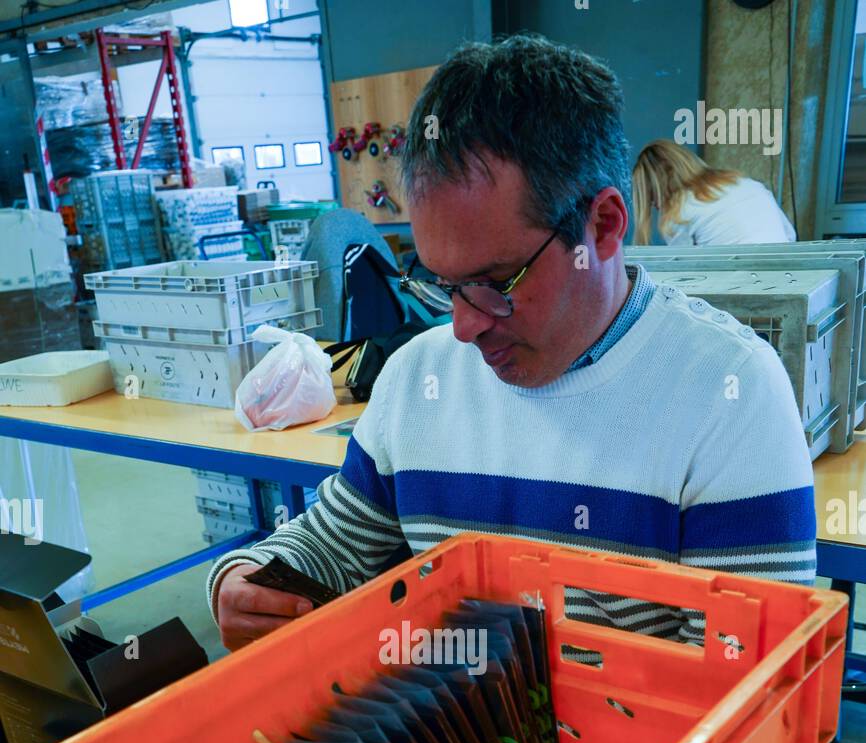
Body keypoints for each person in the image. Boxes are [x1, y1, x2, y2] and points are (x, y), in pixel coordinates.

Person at [210, 35, 815, 652]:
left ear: (603, 226)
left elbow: (745, 685)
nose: (464, 327)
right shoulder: (416, 376)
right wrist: (247, 585)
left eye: (496, 282)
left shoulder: (731, 393)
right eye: (443, 284)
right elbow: (334, 543)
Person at [632, 139, 796, 245]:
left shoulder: (678, 213)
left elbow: (681, 274)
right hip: (784, 278)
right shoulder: (750, 185)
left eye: (652, 198)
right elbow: (790, 236)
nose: (655, 206)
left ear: (659, 189)